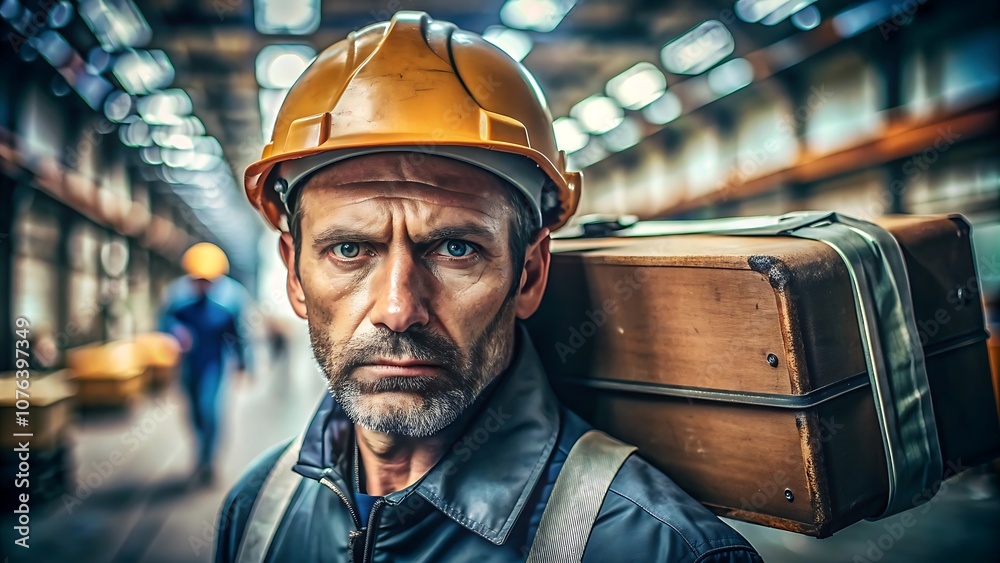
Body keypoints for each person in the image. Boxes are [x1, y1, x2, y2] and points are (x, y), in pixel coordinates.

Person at [217, 11, 761, 562]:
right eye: (350, 250)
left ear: (528, 275)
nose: (399, 309)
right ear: (294, 275)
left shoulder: (664, 551)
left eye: (456, 250)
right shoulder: (259, 511)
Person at [161, 242, 248, 483]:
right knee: (194, 412)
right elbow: (164, 322)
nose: (202, 285)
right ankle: (200, 450)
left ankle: (208, 460)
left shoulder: (231, 299)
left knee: (210, 409)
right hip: (189, 364)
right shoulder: (177, 296)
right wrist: (176, 332)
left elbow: (239, 335)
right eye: (197, 280)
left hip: (214, 363)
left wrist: (243, 363)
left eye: (207, 280)